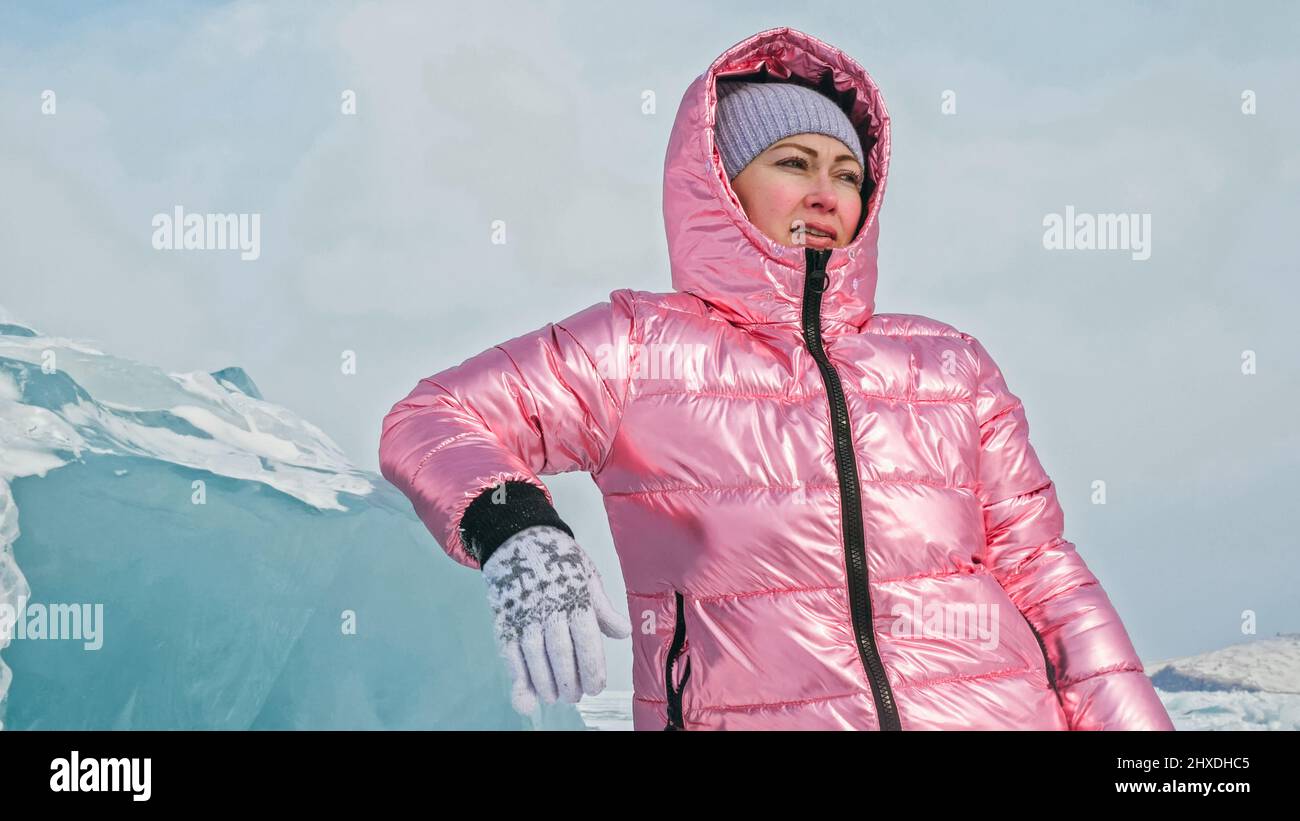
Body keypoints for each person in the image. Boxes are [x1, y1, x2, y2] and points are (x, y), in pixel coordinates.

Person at [378, 26, 1175, 731]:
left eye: (848, 174)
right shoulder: (639, 347)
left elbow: (1049, 581)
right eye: (793, 163)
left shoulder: (949, 364)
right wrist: (515, 526)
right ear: (722, 182)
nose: (827, 194)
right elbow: (432, 417)